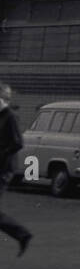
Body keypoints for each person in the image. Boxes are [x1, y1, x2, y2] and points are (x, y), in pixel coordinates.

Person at [0, 82, 33, 256]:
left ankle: (22, 234)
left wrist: (2, 154)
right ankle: (22, 234)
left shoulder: (10, 117)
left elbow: (17, 143)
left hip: (3, 170)